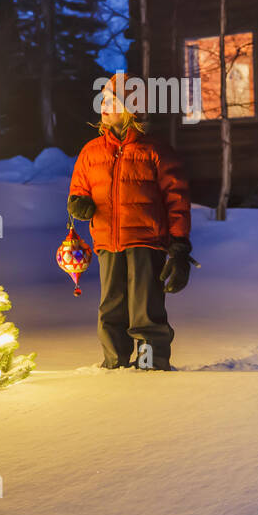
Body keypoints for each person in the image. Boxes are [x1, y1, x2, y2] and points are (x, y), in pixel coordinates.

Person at [68, 73, 192, 370]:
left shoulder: (155, 152)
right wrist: (79, 203)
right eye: (103, 100)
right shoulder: (91, 152)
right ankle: (114, 364)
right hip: (108, 243)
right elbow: (78, 190)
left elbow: (177, 201)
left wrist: (178, 246)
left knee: (145, 310)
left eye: (112, 100)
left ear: (132, 108)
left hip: (146, 243)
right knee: (111, 308)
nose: (104, 106)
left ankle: (151, 364)